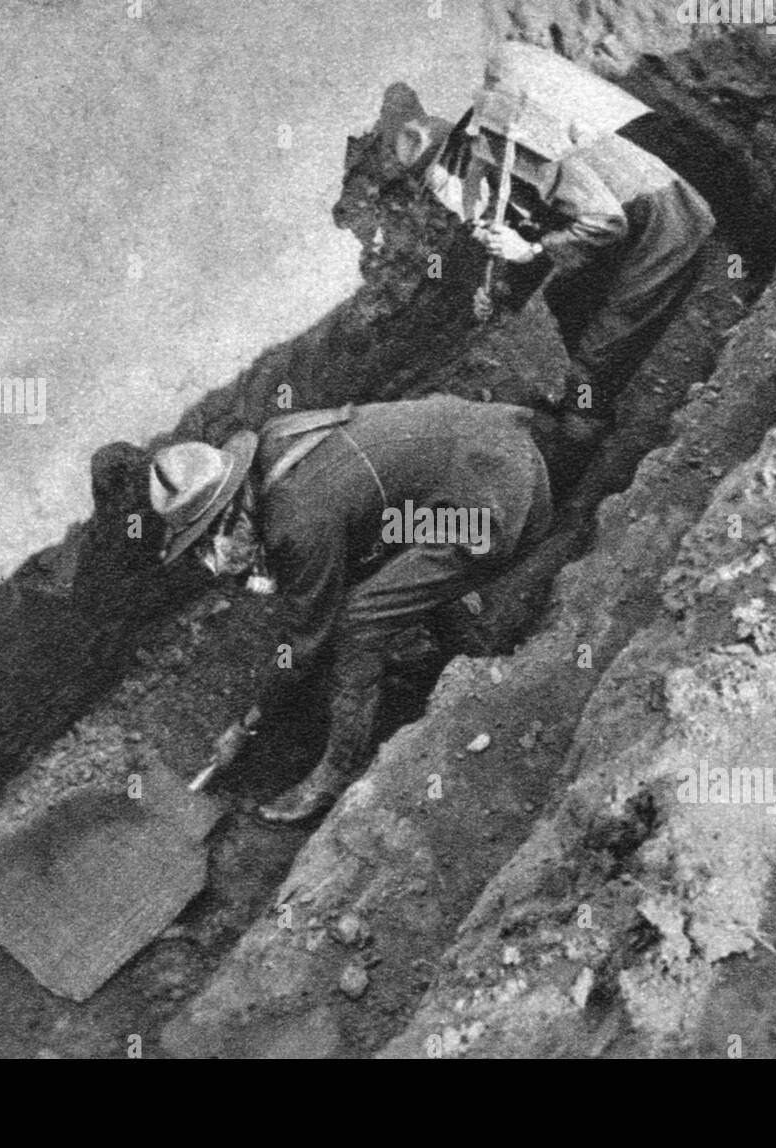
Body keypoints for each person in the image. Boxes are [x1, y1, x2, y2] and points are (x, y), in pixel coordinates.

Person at [148, 396, 554, 824]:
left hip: (495, 501)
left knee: (357, 622)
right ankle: (469, 650)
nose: (213, 557)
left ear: (231, 510)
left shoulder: (299, 521)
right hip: (486, 451)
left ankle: (334, 774)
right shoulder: (276, 441)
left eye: (210, 538)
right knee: (378, 564)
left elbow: (306, 644)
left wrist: (249, 722)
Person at [386, 45, 716, 435]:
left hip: (665, 227)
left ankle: (580, 432)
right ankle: (583, 400)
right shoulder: (490, 163)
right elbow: (538, 223)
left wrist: (533, 250)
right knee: (565, 299)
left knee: (604, 344)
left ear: (451, 154)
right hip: (625, 220)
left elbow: (606, 222)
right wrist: (502, 295)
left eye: (435, 180)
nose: (441, 195)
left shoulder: (515, 146)